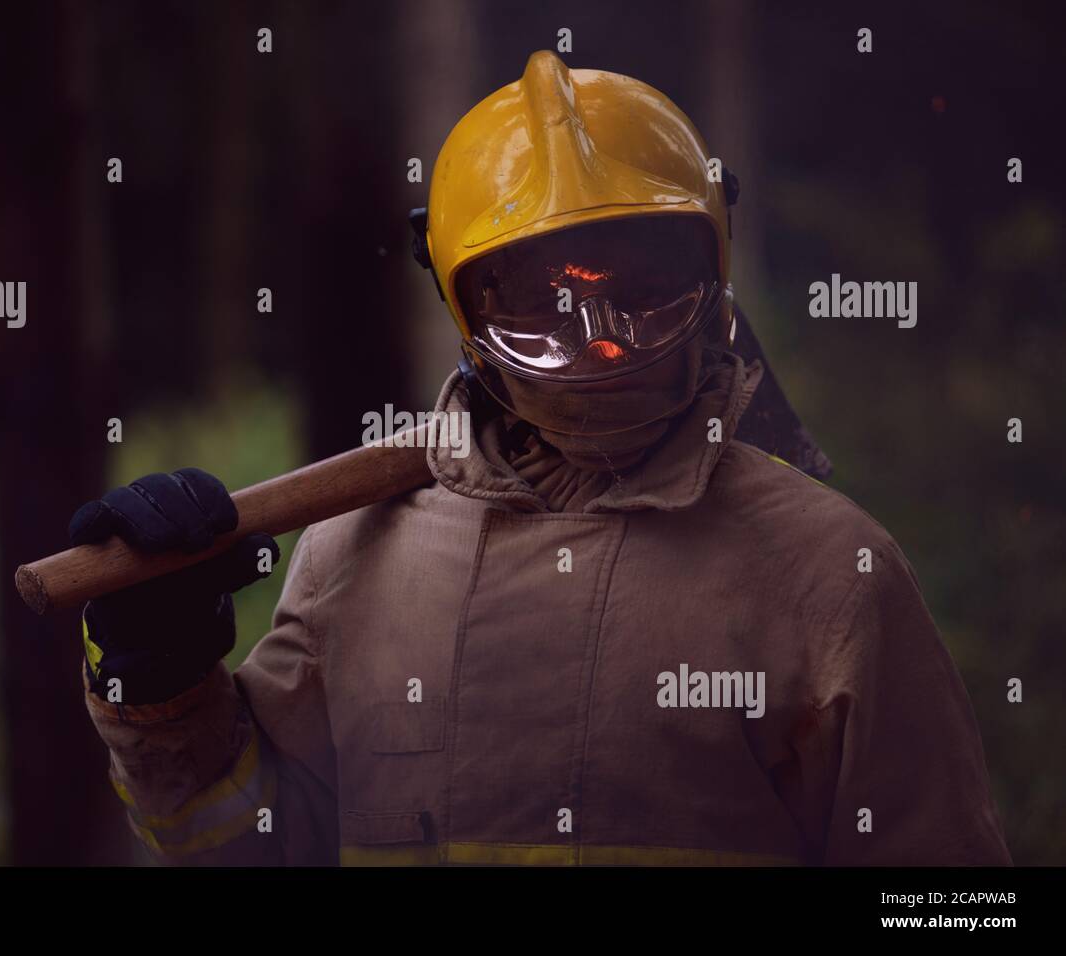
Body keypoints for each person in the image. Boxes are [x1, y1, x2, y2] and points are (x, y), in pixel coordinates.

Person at [71, 51, 1010, 865]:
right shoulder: (353, 556)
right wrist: (161, 691)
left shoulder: (832, 577)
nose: (600, 344)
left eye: (640, 287)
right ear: (458, 303)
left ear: (713, 265)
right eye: (540, 304)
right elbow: (258, 852)